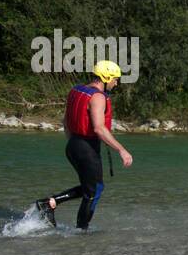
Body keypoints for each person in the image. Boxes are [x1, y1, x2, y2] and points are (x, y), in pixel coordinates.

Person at [36, 59, 133, 229]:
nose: (116, 83)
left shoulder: (77, 90)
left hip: (73, 146)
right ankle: (81, 232)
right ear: (106, 77)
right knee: (93, 192)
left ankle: (51, 202)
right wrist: (122, 150)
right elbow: (99, 129)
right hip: (86, 149)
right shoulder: (97, 97)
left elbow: (65, 120)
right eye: (115, 79)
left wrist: (74, 142)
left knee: (93, 187)